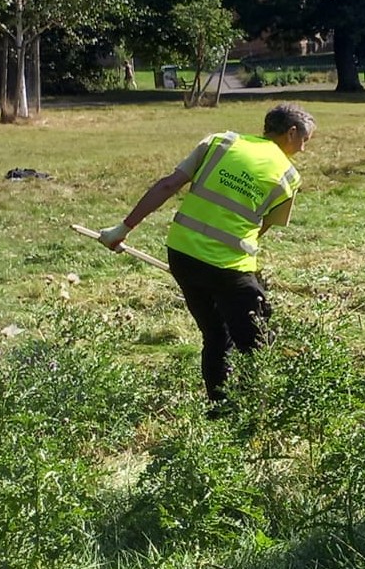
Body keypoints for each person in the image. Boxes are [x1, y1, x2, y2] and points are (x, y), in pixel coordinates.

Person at [94, 103, 315, 407]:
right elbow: (264, 227)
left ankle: (220, 410)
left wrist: (122, 229)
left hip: (182, 255)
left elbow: (169, 184)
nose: (302, 149)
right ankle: (260, 412)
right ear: (291, 132)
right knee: (258, 340)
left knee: (215, 334)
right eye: (304, 141)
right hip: (229, 266)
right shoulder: (288, 176)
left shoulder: (220, 142)